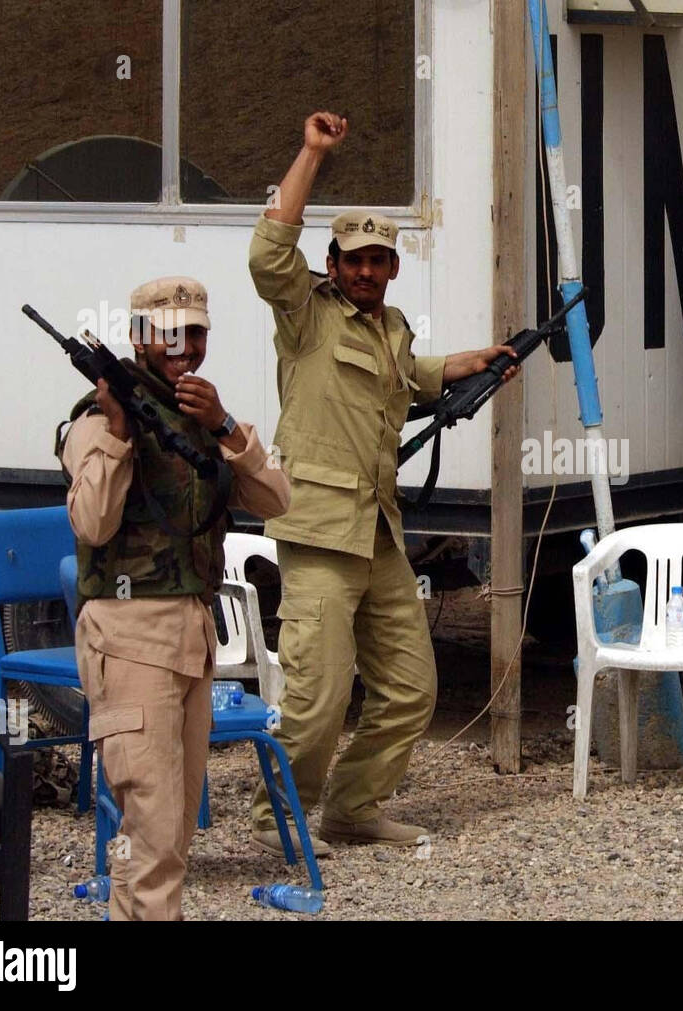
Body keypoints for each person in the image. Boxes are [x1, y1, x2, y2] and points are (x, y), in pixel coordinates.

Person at [247, 110, 519, 850]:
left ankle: (352, 807)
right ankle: (286, 819)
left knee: (409, 688)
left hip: (380, 532)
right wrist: (310, 153)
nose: (365, 270)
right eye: (352, 260)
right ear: (332, 266)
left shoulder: (391, 326)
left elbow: (408, 381)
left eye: (378, 260)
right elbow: (270, 252)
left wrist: (471, 363)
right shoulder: (306, 315)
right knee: (318, 694)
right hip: (319, 531)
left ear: (392, 267)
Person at [62, 276, 290, 920]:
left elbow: (275, 501)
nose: (183, 349)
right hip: (130, 640)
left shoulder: (203, 418)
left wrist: (222, 427)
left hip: (192, 639)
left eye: (195, 334)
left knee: (175, 833)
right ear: (138, 338)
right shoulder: (94, 424)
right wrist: (119, 430)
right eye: (168, 335)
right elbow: (93, 524)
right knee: (152, 837)